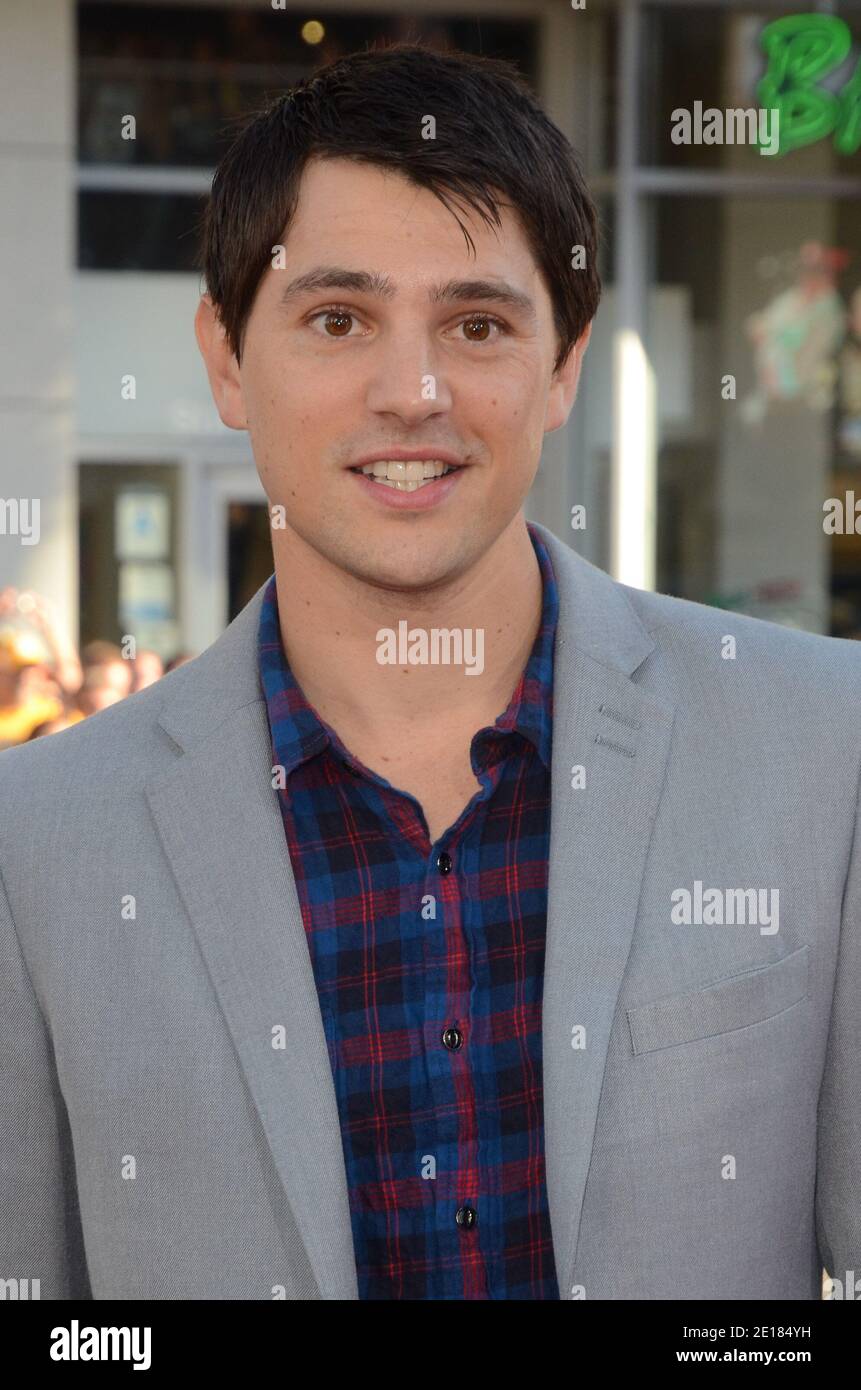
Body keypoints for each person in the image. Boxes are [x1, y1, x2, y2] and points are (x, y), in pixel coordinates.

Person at [0, 44, 859, 1302]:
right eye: (338, 319)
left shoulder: (824, 746)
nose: (413, 393)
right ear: (230, 357)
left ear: (563, 363)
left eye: (476, 324)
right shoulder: (39, 845)